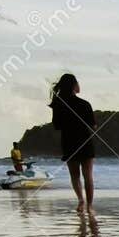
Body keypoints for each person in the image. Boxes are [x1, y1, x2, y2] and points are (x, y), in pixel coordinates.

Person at [51, 73, 96, 212]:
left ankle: (81, 201)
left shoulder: (58, 104)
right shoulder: (84, 104)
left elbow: (56, 126)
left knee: (74, 175)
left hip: (69, 141)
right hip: (85, 141)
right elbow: (93, 126)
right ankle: (89, 206)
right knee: (88, 175)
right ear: (74, 85)